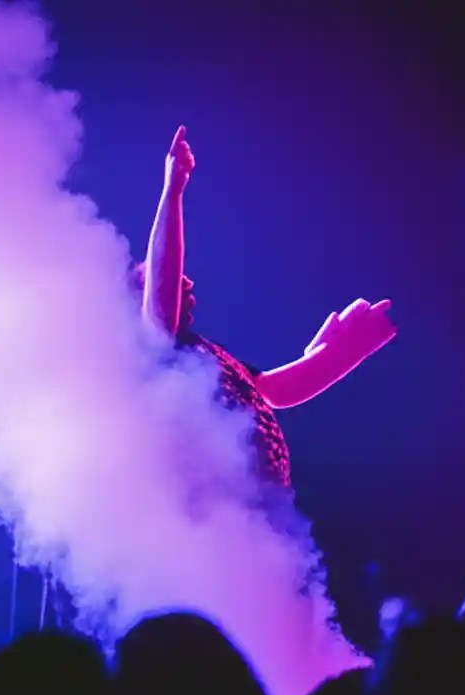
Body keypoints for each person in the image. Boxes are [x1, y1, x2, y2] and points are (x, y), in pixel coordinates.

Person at [137, 125, 397, 491]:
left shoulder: (207, 354)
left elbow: (275, 392)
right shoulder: (151, 351)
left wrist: (341, 353)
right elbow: (160, 299)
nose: (187, 280)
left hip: (261, 514)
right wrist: (173, 191)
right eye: (169, 273)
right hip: (210, 507)